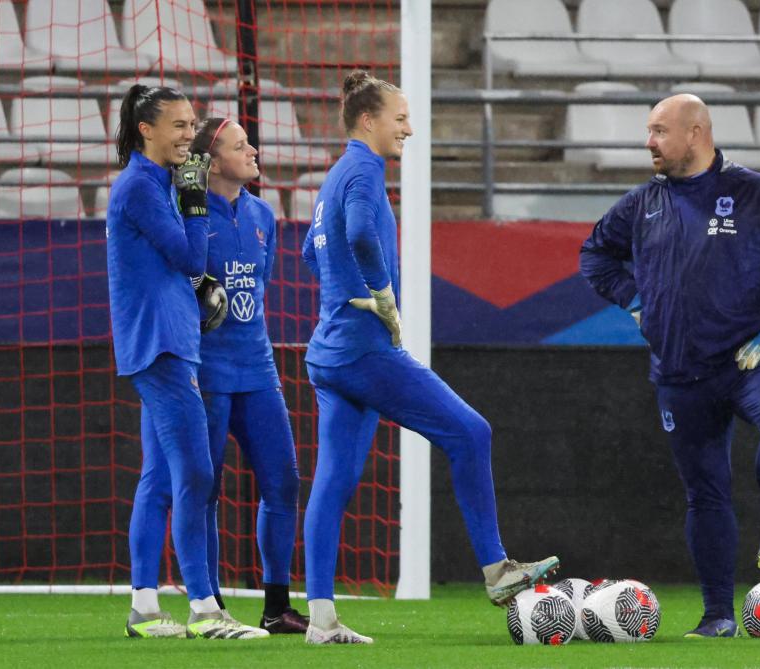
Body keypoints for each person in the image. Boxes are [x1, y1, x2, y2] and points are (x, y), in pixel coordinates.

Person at [299, 70, 560, 645]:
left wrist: (346, 295)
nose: (410, 129)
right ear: (368, 121)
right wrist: (381, 293)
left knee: (334, 481)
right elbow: (363, 233)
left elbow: (310, 254)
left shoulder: (334, 175)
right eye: (401, 119)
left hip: (329, 352)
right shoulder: (364, 169)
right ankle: (497, 570)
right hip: (365, 351)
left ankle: (321, 620)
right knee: (470, 433)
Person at [579, 94, 760, 639]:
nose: (649, 143)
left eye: (659, 131)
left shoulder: (756, 194)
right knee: (706, 493)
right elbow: (594, 254)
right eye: (648, 132)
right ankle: (717, 617)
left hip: (747, 360)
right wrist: (634, 301)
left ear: (695, 133)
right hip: (678, 374)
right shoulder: (641, 203)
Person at [130, 116, 309, 634]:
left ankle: (276, 606)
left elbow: (258, 289)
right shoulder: (183, 209)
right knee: (199, 487)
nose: (254, 150)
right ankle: (206, 605)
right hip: (199, 371)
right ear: (212, 160)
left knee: (284, 481)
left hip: (256, 369)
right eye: (240, 144)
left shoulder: (261, 214)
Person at [109, 84, 267, 640]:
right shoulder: (139, 187)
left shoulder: (152, 183)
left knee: (158, 480)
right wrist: (197, 201)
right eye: (178, 125)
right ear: (146, 130)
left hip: (170, 343)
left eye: (192, 124)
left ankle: (145, 610)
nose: (188, 136)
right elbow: (188, 256)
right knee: (196, 474)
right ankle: (204, 608)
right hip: (161, 348)